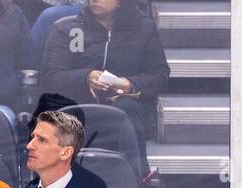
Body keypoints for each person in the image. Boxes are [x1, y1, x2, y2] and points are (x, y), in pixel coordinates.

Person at [41, 0, 170, 177]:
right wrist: (86, 77)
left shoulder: (143, 29)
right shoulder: (71, 29)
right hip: (78, 106)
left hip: (124, 106)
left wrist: (131, 84)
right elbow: (52, 76)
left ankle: (137, 182)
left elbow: (159, 74)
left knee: (125, 110)